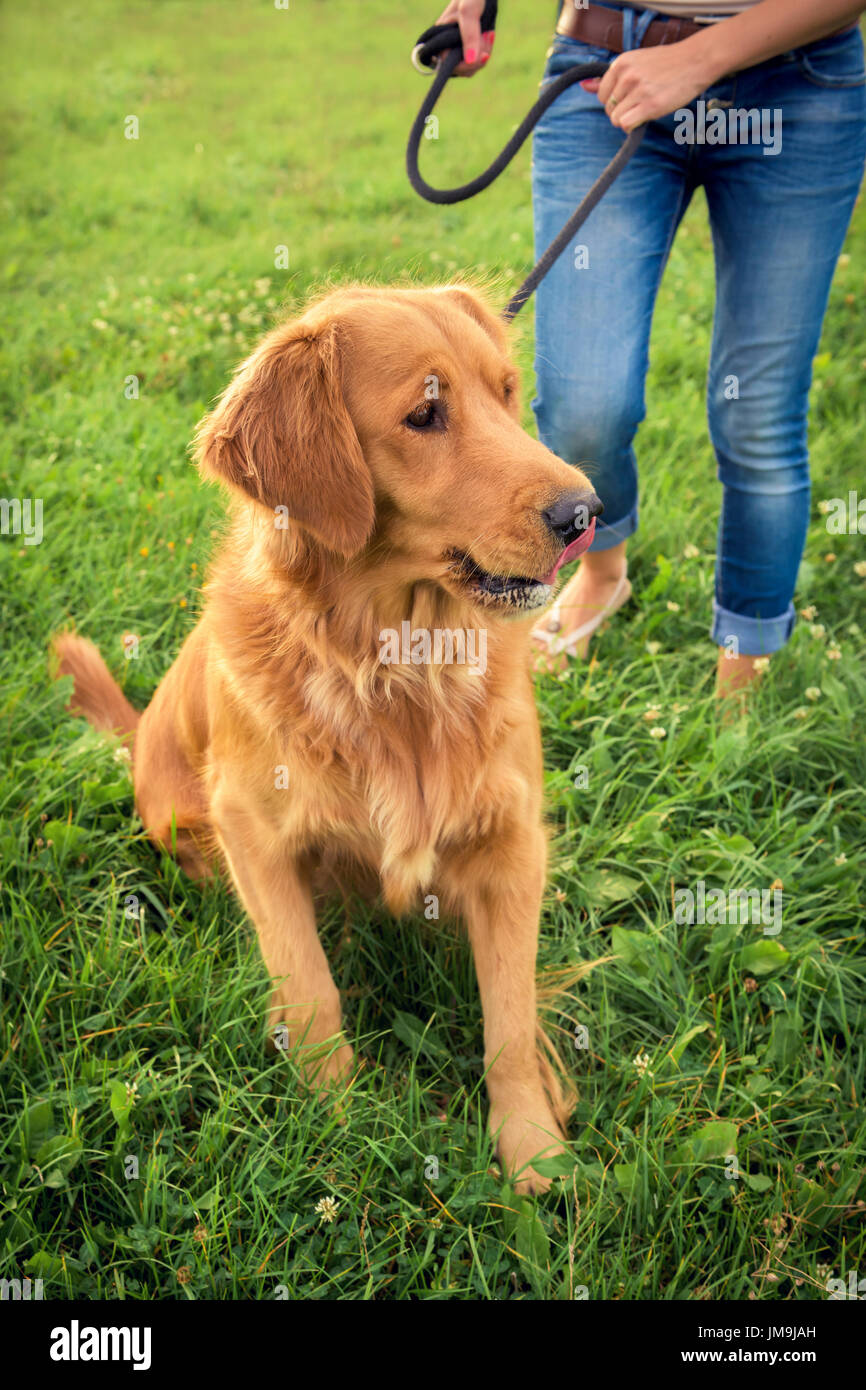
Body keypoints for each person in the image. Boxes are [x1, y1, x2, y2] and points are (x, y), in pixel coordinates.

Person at [431, 0, 866, 697]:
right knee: (583, 405)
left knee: (757, 413)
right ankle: (602, 575)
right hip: (605, 73)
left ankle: (744, 667)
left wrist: (697, 59)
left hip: (800, 89)